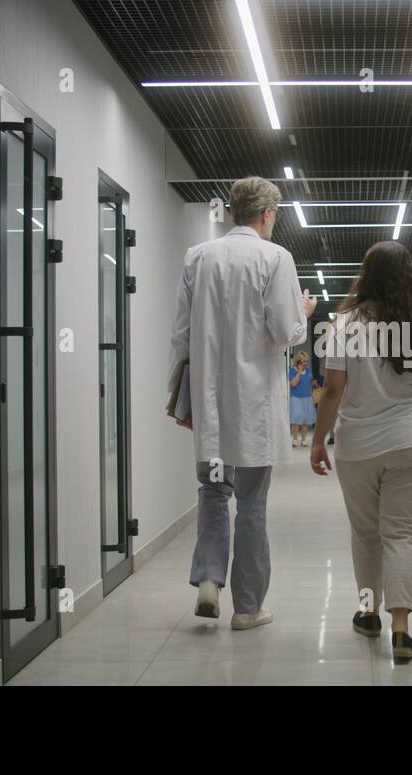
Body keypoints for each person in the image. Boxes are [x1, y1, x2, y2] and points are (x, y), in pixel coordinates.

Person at [168, 175, 318, 630]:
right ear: (268, 214)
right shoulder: (275, 257)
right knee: (251, 503)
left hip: (209, 405)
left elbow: (181, 335)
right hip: (252, 410)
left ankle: (210, 580)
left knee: (213, 491)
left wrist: (180, 400)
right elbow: (285, 331)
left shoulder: (198, 257)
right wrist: (304, 316)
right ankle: (248, 607)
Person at [310, 241, 412, 663]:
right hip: (410, 443)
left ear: (364, 275)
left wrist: (318, 440)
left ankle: (369, 613)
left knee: (367, 535)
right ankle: (401, 629)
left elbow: (332, 389)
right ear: (409, 276)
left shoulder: (344, 323)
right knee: (401, 535)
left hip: (359, 447)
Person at [288, 351, 316, 446]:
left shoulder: (308, 371)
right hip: (295, 398)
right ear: (298, 361)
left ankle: (304, 440)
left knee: (305, 420)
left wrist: (312, 385)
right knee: (295, 420)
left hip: (307, 398)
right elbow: (293, 384)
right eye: (303, 361)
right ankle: (294, 440)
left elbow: (310, 384)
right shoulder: (292, 371)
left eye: (306, 361)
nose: (305, 363)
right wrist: (299, 373)